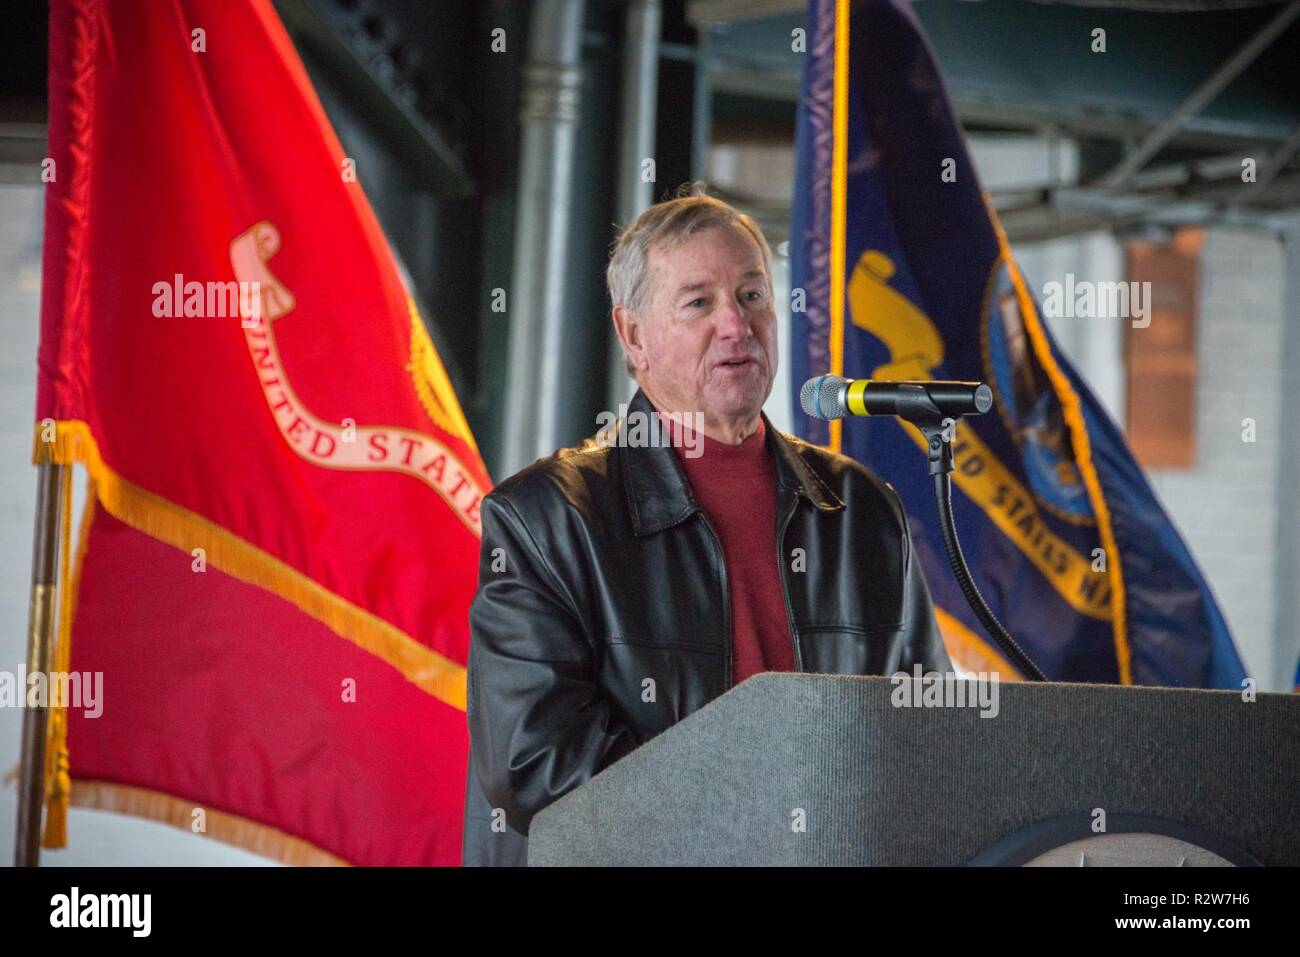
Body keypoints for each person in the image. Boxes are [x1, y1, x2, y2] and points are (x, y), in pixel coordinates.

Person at [462, 184, 952, 866]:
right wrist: (760, 825)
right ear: (633, 336)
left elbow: (932, 729)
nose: (736, 324)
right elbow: (538, 764)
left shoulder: (861, 510)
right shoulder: (546, 518)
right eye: (699, 302)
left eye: (752, 295)